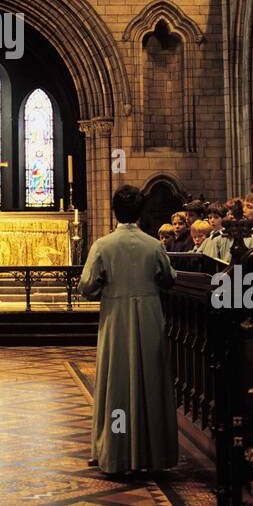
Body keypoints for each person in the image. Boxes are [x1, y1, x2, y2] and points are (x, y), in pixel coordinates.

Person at [78, 184, 179, 478]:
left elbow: (86, 287)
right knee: (150, 381)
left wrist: (105, 289)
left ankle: (116, 451)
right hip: (149, 316)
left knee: (118, 383)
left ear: (114, 211)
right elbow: (169, 279)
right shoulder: (154, 245)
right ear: (141, 212)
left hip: (116, 317)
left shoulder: (103, 245)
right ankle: (152, 452)